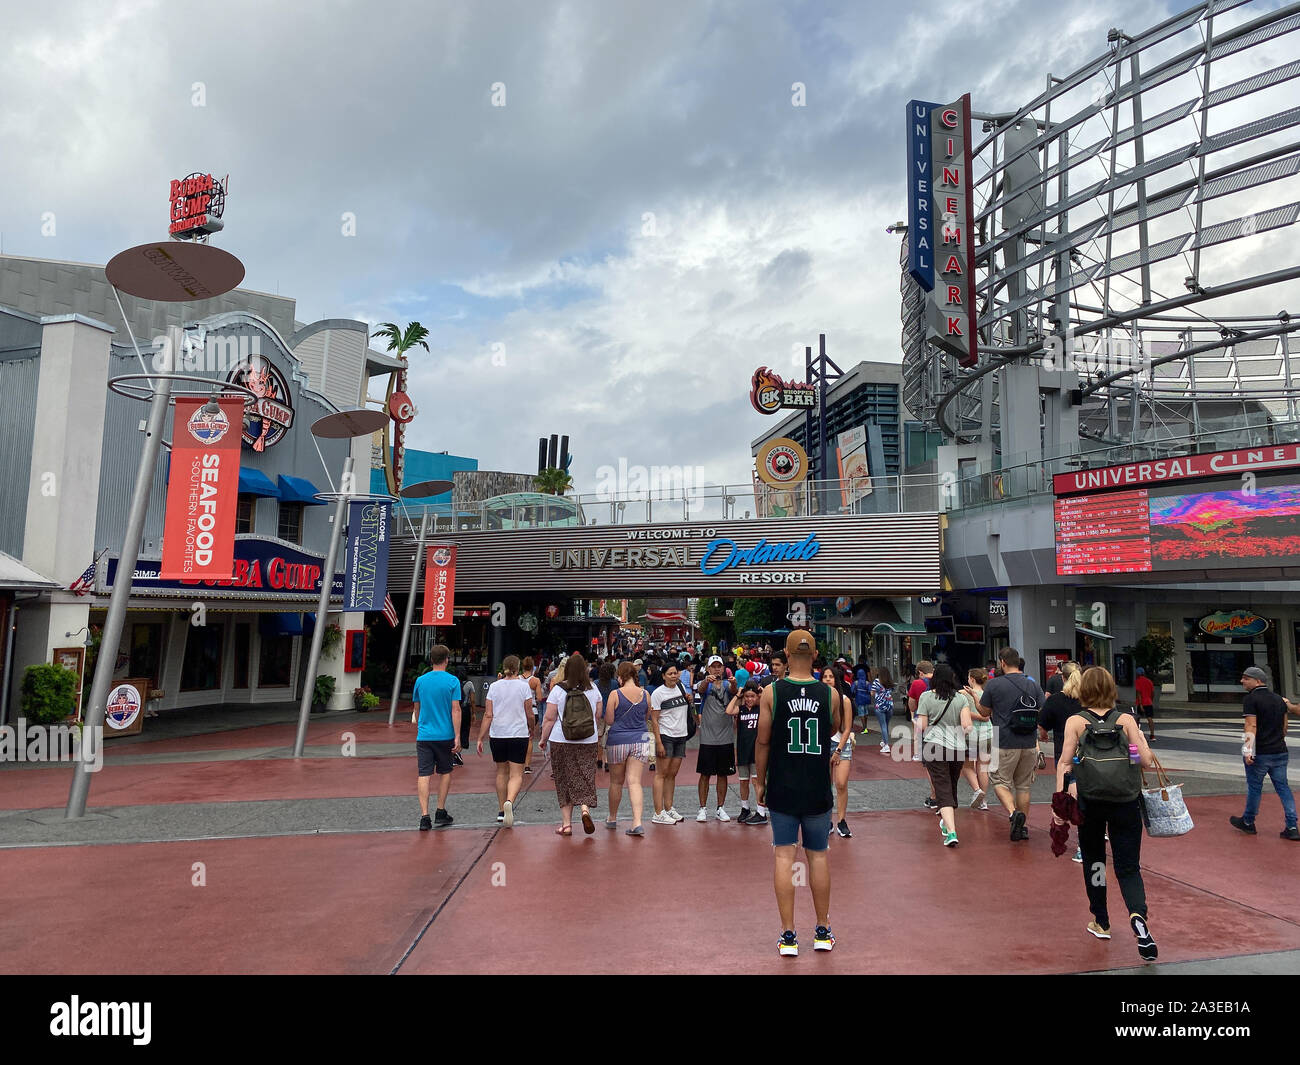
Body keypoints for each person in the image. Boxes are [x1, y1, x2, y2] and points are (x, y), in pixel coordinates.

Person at [1055, 666, 1158, 959]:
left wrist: (1062, 802)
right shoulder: (1125, 720)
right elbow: (1143, 761)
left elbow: (1065, 763)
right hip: (1125, 801)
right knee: (1128, 866)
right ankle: (1138, 916)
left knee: (1095, 860)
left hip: (1090, 802)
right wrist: (1141, 747)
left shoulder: (1075, 721)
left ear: (1083, 690)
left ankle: (1101, 919)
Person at [756, 629, 839, 956]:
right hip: (817, 785)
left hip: (783, 785)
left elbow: (762, 741)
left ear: (786, 656)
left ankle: (788, 935)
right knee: (817, 855)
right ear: (815, 655)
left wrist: (760, 781)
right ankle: (821, 930)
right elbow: (831, 728)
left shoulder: (771, 693)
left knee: (784, 855)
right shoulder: (829, 694)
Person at [981, 646, 1045, 842]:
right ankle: (1022, 827)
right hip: (1028, 740)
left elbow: (984, 712)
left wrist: (977, 700)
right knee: (1023, 786)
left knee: (999, 781)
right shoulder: (1032, 684)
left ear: (1002, 662)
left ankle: (1012, 813)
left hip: (1004, 740)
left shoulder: (994, 684)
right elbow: (1042, 708)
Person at [1231, 666, 1300, 840]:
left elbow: (1251, 725)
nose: (1242, 681)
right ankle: (1292, 826)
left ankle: (1248, 821)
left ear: (1258, 680)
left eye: (1246, 678)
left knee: (1255, 788)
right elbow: (1284, 729)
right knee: (1283, 787)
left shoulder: (1251, 699)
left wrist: (1248, 750)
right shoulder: (1279, 700)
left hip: (1260, 752)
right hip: (1280, 751)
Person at [537, 653, 600, 837]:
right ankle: (585, 809)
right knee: (585, 774)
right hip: (588, 739)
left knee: (563, 779)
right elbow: (598, 714)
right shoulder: (593, 688)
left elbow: (549, 718)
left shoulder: (558, 690)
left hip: (561, 739)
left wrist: (543, 739)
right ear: (585, 669)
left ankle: (566, 825)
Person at [917, 663, 974, 847]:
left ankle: (951, 831)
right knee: (951, 785)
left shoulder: (926, 697)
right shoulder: (961, 699)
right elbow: (966, 726)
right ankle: (948, 824)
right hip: (957, 748)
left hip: (934, 746)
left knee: (942, 787)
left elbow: (923, 726)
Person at [478, 655, 533, 827]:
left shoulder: (494, 687)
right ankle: (510, 801)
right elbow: (529, 712)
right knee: (516, 773)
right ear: (518, 668)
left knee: (501, 772)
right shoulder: (524, 687)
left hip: (498, 733)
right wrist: (532, 726)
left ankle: (501, 810)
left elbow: (488, 714)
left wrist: (480, 737)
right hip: (518, 733)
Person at [412, 646, 463, 829]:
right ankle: (440, 810)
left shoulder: (420, 681)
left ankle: (424, 816)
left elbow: (417, 708)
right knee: (445, 771)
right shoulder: (453, 681)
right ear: (447, 660)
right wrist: (457, 735)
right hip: (445, 734)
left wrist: (421, 725)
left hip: (425, 734)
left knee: (424, 773)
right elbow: (455, 709)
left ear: (431, 659)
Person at [604, 661, 650, 836]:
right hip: (640, 739)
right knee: (635, 782)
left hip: (618, 740)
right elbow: (646, 717)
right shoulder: (645, 694)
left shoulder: (615, 694)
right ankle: (637, 822)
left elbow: (609, 720)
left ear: (621, 677)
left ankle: (612, 817)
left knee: (616, 782)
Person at [694, 655, 738, 821]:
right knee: (705, 774)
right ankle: (702, 808)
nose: (717, 669)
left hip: (726, 736)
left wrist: (734, 683)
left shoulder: (728, 684)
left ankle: (721, 807)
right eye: (714, 666)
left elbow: (734, 692)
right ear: (708, 668)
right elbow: (701, 690)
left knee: (723, 774)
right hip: (707, 737)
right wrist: (707, 680)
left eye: (719, 666)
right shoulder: (704, 683)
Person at [649, 662, 692, 825]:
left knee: (672, 774)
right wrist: (658, 742)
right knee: (661, 773)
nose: (674, 676)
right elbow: (654, 719)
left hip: (681, 735)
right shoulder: (658, 693)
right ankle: (658, 812)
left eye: (675, 673)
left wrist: (688, 700)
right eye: (670, 674)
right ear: (663, 676)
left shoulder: (681, 688)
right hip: (666, 736)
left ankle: (668, 808)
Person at [731, 682, 768, 825]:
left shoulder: (761, 709)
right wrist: (737, 695)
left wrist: (762, 692)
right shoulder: (741, 709)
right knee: (743, 781)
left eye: (752, 696)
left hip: (756, 750)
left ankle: (761, 810)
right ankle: (745, 808)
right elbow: (728, 711)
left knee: (757, 781)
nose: (749, 699)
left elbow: (769, 702)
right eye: (747, 696)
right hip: (742, 749)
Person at [825, 670, 856, 838]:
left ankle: (842, 820)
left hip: (841, 745)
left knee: (841, 783)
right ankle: (827, 820)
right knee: (825, 785)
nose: (828, 679)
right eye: (825, 677)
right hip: (823, 745)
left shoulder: (844, 701)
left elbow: (848, 728)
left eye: (831, 677)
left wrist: (838, 750)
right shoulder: (819, 699)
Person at [960, 667, 993, 811]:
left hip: (971, 733)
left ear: (972, 679)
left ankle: (977, 790)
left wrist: (977, 716)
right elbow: (987, 716)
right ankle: (984, 800)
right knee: (983, 767)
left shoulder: (963, 695)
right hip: (989, 733)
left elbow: (965, 713)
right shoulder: (987, 694)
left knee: (967, 766)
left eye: (968, 677)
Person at [907, 661, 934, 763]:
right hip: (939, 714)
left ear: (920, 672)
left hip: (922, 714)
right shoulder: (941, 682)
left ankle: (918, 754)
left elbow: (912, 706)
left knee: (918, 736)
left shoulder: (917, 683)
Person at [594, 660, 617, 772]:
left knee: (598, 736)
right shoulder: (614, 683)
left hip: (598, 714)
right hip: (611, 713)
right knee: (609, 737)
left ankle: (599, 760)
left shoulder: (596, 683)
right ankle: (607, 761)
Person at [866, 667, 895, 754]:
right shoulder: (890, 682)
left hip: (880, 706)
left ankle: (886, 745)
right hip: (889, 705)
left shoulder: (876, 681)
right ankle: (883, 740)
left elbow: (872, 693)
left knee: (883, 725)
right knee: (886, 724)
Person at [1135, 667, 1156, 743]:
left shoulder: (1137, 681)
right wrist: (1151, 700)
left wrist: (1140, 704)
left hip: (1141, 703)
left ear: (1137, 674)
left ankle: (1136, 735)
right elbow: (1153, 693)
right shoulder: (1149, 681)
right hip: (1149, 702)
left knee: (1137, 719)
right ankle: (1152, 735)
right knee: (1149, 718)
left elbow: (1139, 693)